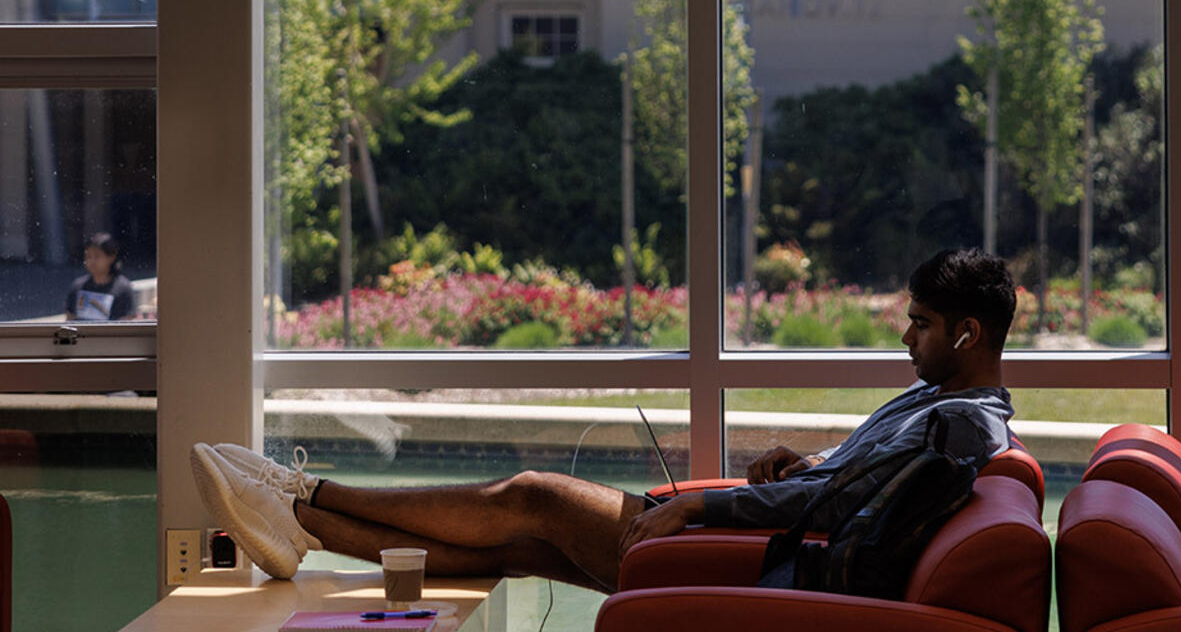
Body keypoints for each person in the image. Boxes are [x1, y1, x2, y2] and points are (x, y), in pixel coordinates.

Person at [191, 247, 1019, 592]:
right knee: (521, 549)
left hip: (766, 571)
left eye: (919, 323)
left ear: (966, 333)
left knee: (534, 495)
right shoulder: (946, 402)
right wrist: (806, 460)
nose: (905, 335)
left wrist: (697, 505)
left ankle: (304, 490)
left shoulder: (961, 427)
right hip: (769, 545)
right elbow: (846, 486)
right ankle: (303, 525)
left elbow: (835, 516)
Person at [64, 232, 136, 322]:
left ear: (111, 257)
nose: (92, 261)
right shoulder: (78, 286)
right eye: (88, 256)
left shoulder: (123, 288)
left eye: (97, 256)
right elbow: (70, 318)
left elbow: (126, 321)